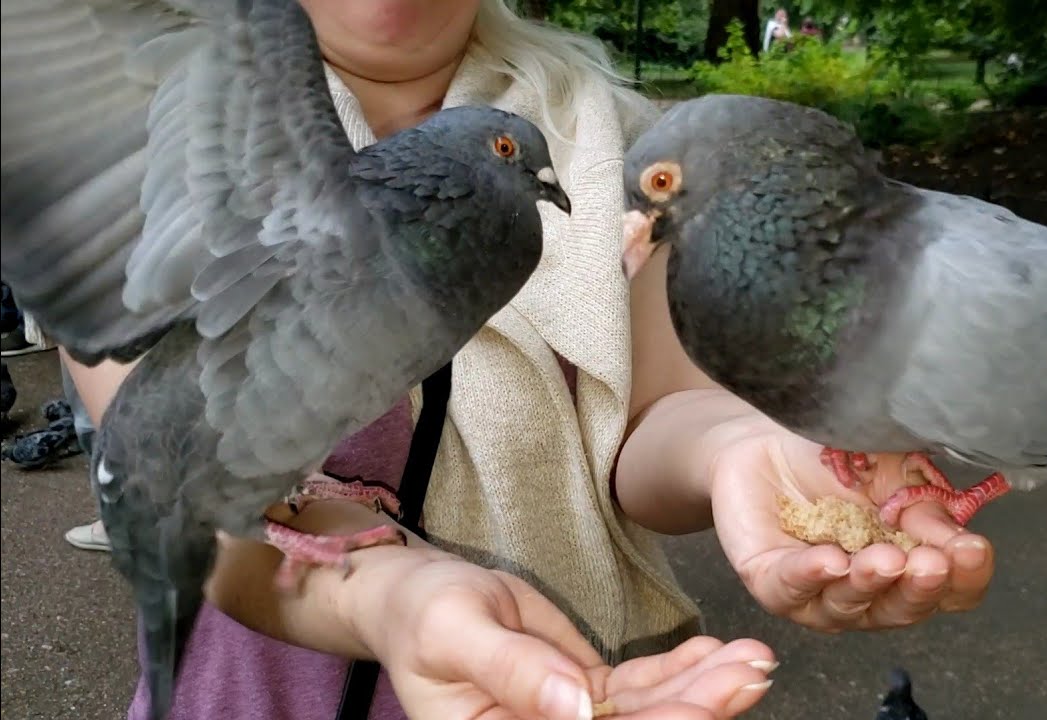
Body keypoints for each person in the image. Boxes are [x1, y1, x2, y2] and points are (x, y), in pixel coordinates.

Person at [60, 1, 997, 718]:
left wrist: (744, 450)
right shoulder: (156, 135)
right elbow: (167, 468)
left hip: (561, 677)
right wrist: (386, 592)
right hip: (256, 690)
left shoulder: (632, 154)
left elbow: (652, 421)